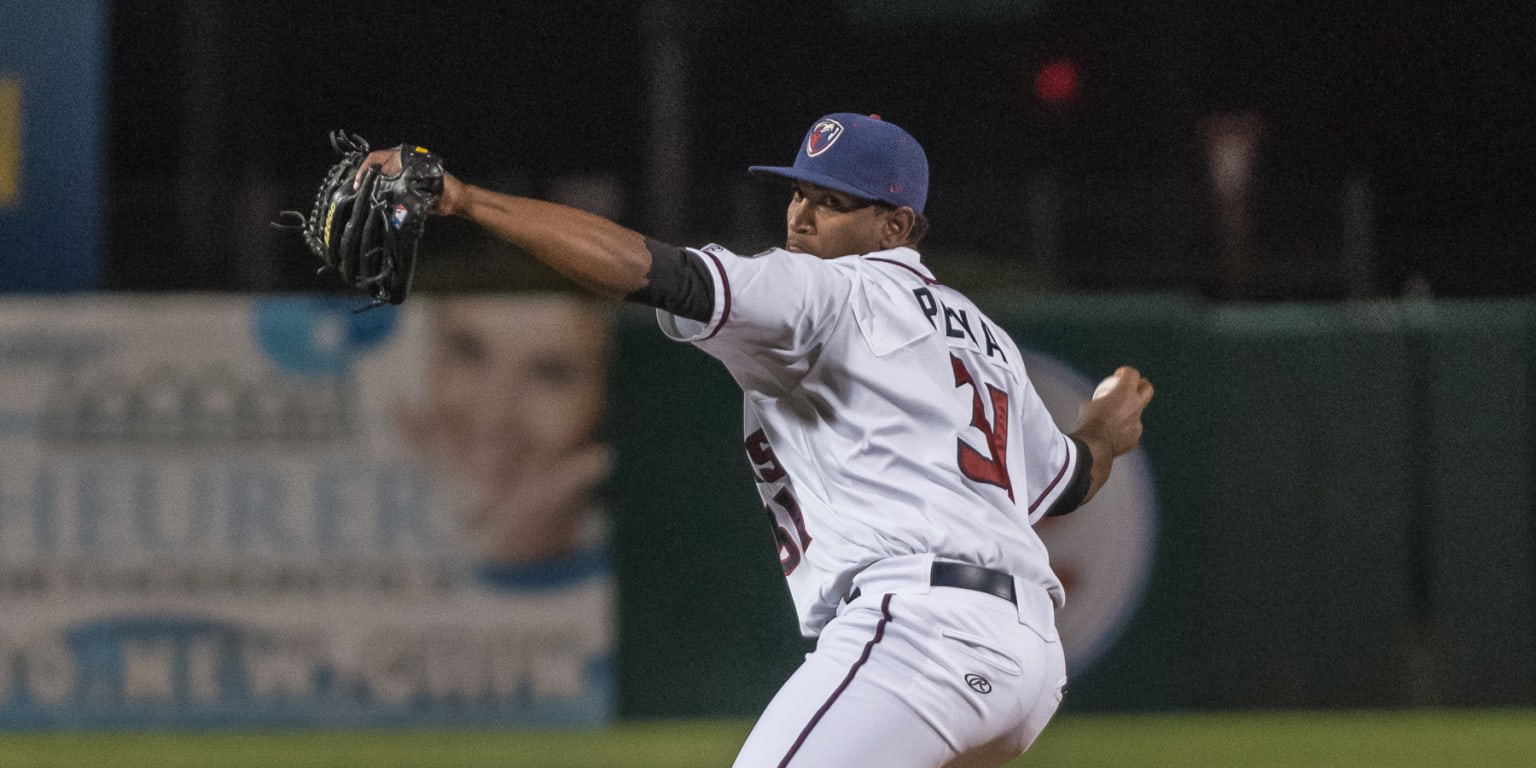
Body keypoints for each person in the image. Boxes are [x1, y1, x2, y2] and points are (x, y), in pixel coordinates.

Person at [357, 112, 1153, 767]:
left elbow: (653, 271)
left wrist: (466, 201)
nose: (802, 216)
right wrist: (1103, 430)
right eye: (799, 193)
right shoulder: (985, 339)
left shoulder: (824, 289)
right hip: (1028, 662)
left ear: (895, 223)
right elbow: (1068, 480)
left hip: (922, 636)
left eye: (833, 201)